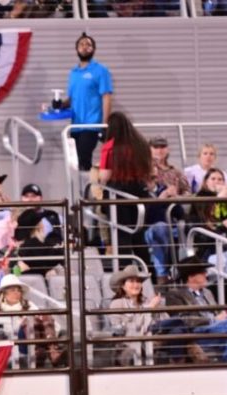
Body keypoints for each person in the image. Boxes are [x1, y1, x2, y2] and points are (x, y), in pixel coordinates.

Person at [96, 111, 152, 260]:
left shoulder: (110, 146)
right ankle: (148, 273)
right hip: (140, 192)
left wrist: (100, 182)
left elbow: (104, 175)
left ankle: (125, 273)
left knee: (122, 235)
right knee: (139, 235)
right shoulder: (141, 144)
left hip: (118, 194)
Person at [163, 256, 227, 362]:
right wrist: (214, 320)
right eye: (202, 272)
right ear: (191, 276)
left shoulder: (208, 292)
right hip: (199, 330)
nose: (206, 274)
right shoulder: (175, 295)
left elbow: (217, 313)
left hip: (216, 327)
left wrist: (225, 315)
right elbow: (182, 319)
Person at [64, 33, 113, 172]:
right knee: (78, 163)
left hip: (91, 124)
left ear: (94, 49)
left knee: (84, 160)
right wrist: (60, 104)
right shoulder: (73, 72)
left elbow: (106, 97)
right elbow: (72, 99)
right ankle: (85, 190)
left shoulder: (100, 70)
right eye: (81, 44)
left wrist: (104, 124)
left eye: (88, 45)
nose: (85, 47)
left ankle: (90, 191)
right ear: (76, 49)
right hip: (75, 126)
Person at [106, 264, 164, 366]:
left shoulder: (147, 301)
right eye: (132, 281)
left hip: (152, 339)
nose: (136, 284)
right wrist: (149, 308)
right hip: (129, 344)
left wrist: (157, 309)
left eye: (138, 281)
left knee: (177, 326)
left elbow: (160, 323)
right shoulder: (117, 303)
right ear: (123, 286)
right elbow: (121, 331)